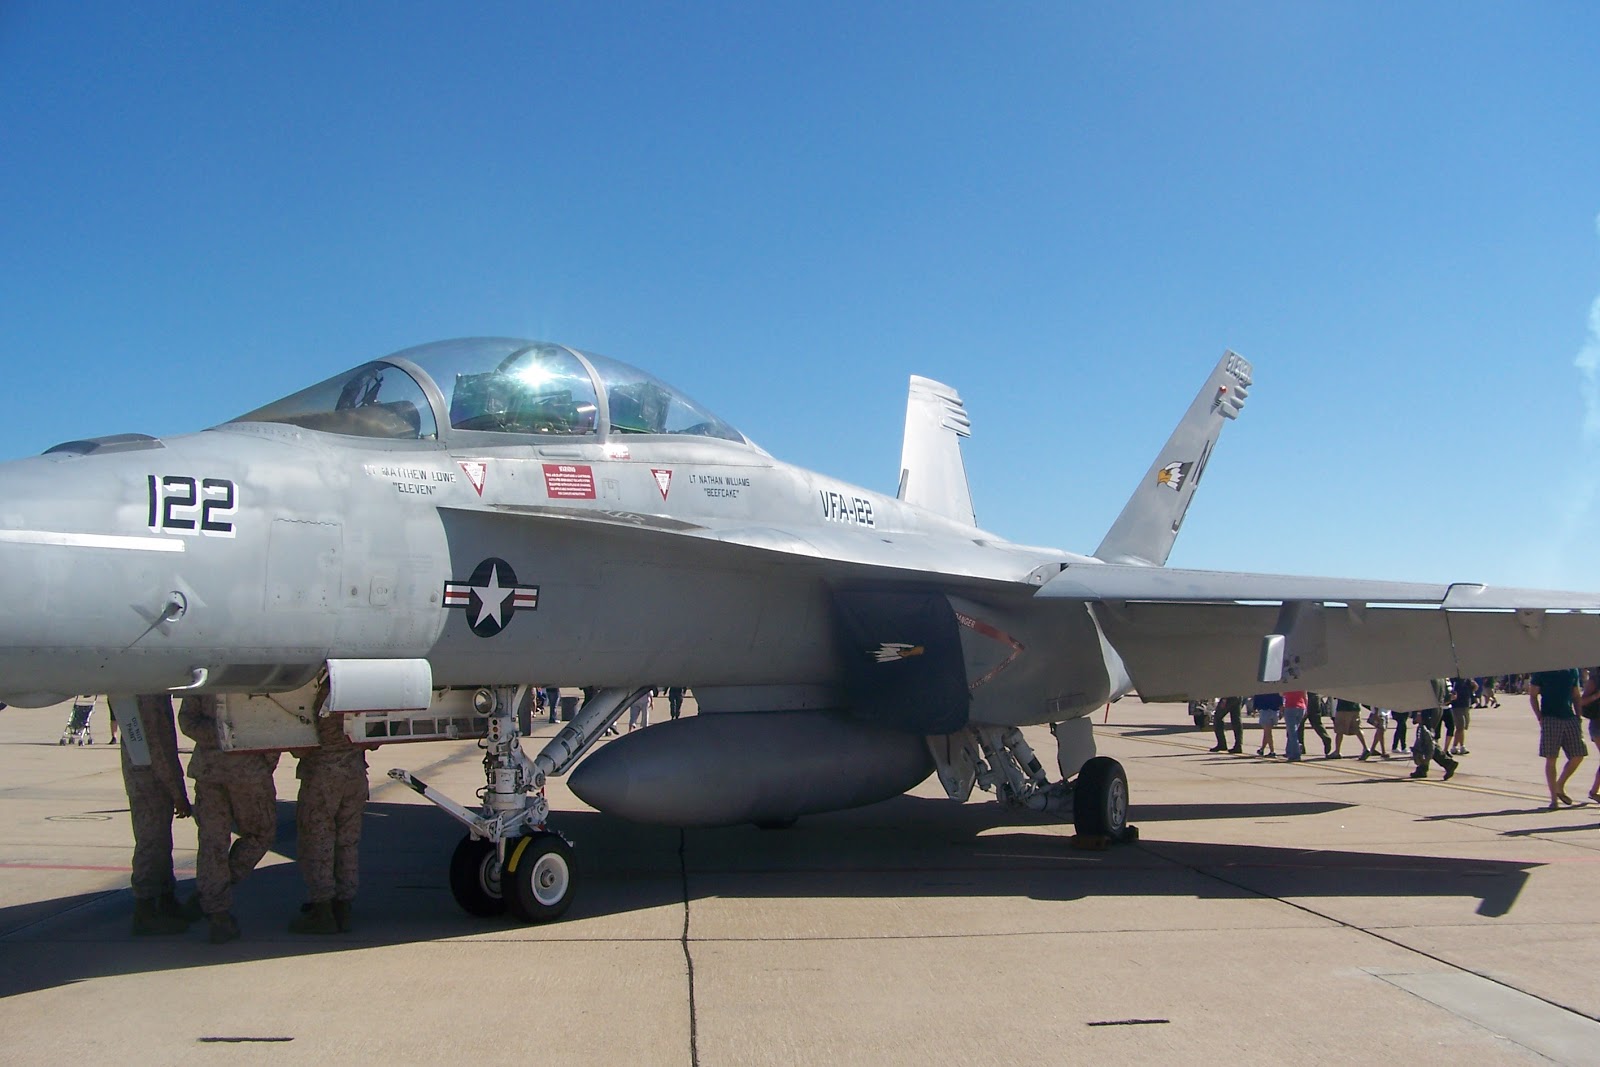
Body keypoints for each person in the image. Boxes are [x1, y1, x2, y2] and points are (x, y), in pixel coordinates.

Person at [178, 694, 279, 944]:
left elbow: (187, 720)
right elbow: (277, 721)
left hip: (213, 768)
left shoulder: (208, 677)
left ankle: (213, 900)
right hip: (247, 770)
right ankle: (215, 902)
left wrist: (216, 737)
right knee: (259, 834)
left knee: (213, 842)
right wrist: (262, 761)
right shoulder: (257, 676)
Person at [288, 682, 375, 935]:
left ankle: (322, 908)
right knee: (347, 842)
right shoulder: (360, 690)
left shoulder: (321, 693)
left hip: (323, 776)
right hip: (355, 774)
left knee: (318, 842)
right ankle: (344, 906)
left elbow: (299, 747)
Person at [115, 694, 192, 935]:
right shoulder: (149, 695)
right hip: (151, 782)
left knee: (160, 842)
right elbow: (158, 746)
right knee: (151, 843)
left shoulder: (141, 690)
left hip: (146, 779)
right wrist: (177, 791)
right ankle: (145, 909)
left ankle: (166, 900)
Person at [1530, 667, 1586, 810]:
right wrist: (1539, 716)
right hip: (1550, 717)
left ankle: (1559, 785)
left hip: (1569, 716)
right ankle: (1554, 799)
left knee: (1578, 754)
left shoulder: (1572, 670)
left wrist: (1578, 716)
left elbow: (1576, 694)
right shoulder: (1542, 670)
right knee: (1551, 757)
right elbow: (1533, 694)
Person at [1582, 668, 1600, 802]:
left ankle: (1594, 791)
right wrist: (1597, 695)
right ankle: (1593, 791)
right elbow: (1582, 702)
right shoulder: (1595, 680)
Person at [1300, 693, 1333, 758]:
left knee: (1299, 724)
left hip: (1305, 696)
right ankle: (1325, 737)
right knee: (1316, 722)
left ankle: (1300, 747)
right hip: (1315, 696)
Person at [1448, 677, 1475, 755]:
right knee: (1460, 726)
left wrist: (1473, 686)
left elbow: (1475, 687)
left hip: (1465, 705)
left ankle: (1456, 747)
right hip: (1457, 706)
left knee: (1463, 727)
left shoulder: (1467, 680)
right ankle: (1459, 746)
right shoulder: (1453, 680)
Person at [1282, 690, 1308, 761]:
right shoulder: (1301, 684)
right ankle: (1289, 751)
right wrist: (1306, 708)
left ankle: (1296, 754)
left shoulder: (1288, 684)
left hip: (1290, 706)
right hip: (1301, 707)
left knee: (1292, 732)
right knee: (1293, 731)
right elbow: (1305, 696)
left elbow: (1282, 693)